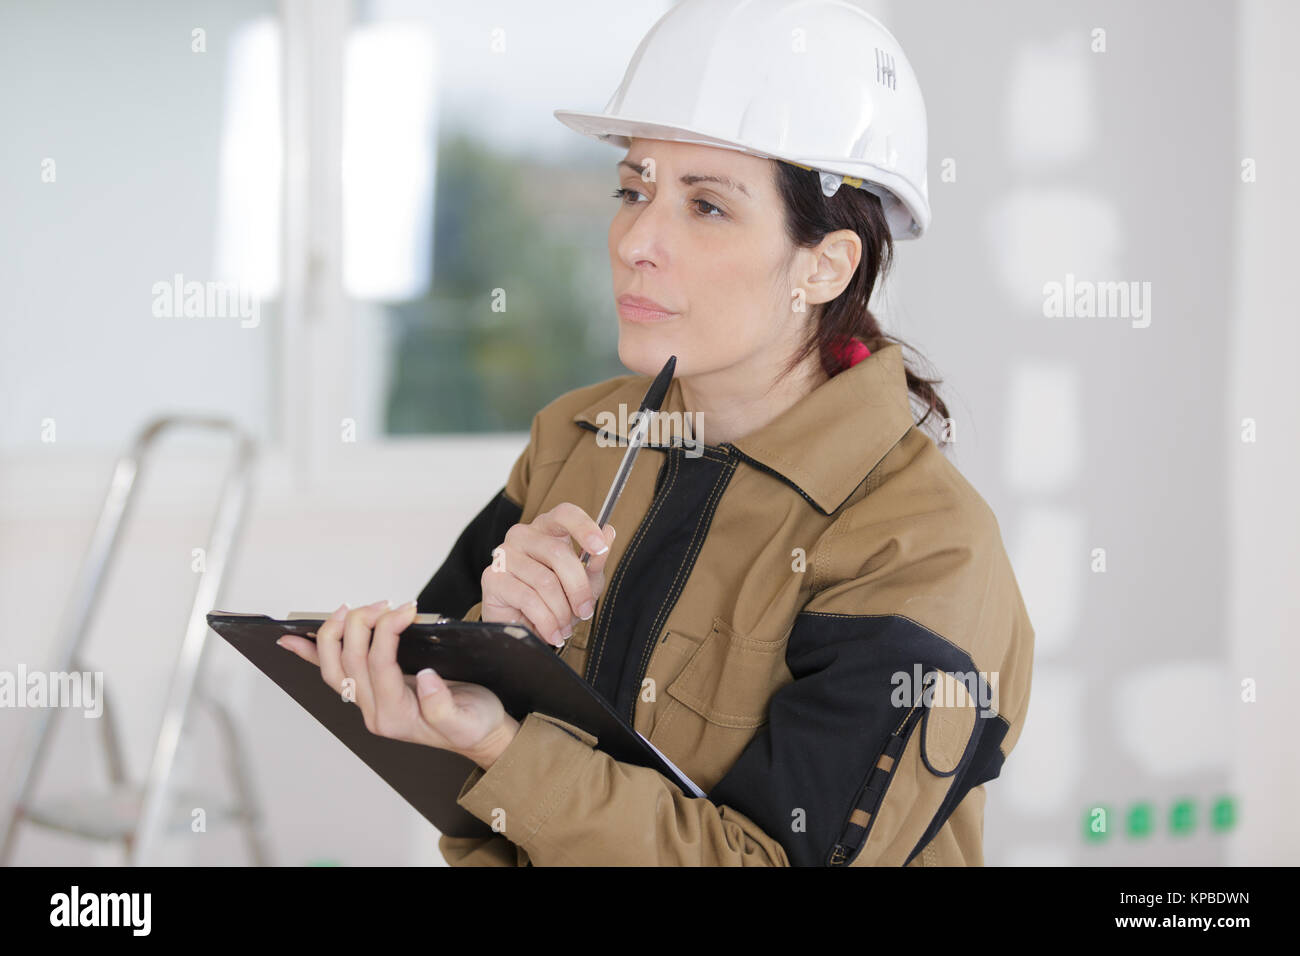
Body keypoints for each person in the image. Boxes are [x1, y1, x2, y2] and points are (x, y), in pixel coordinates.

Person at [278, 0, 1034, 867]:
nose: (636, 238)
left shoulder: (924, 550)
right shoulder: (577, 437)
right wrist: (478, 654)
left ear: (824, 264)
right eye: (634, 188)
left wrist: (507, 749)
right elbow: (456, 784)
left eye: (706, 206)